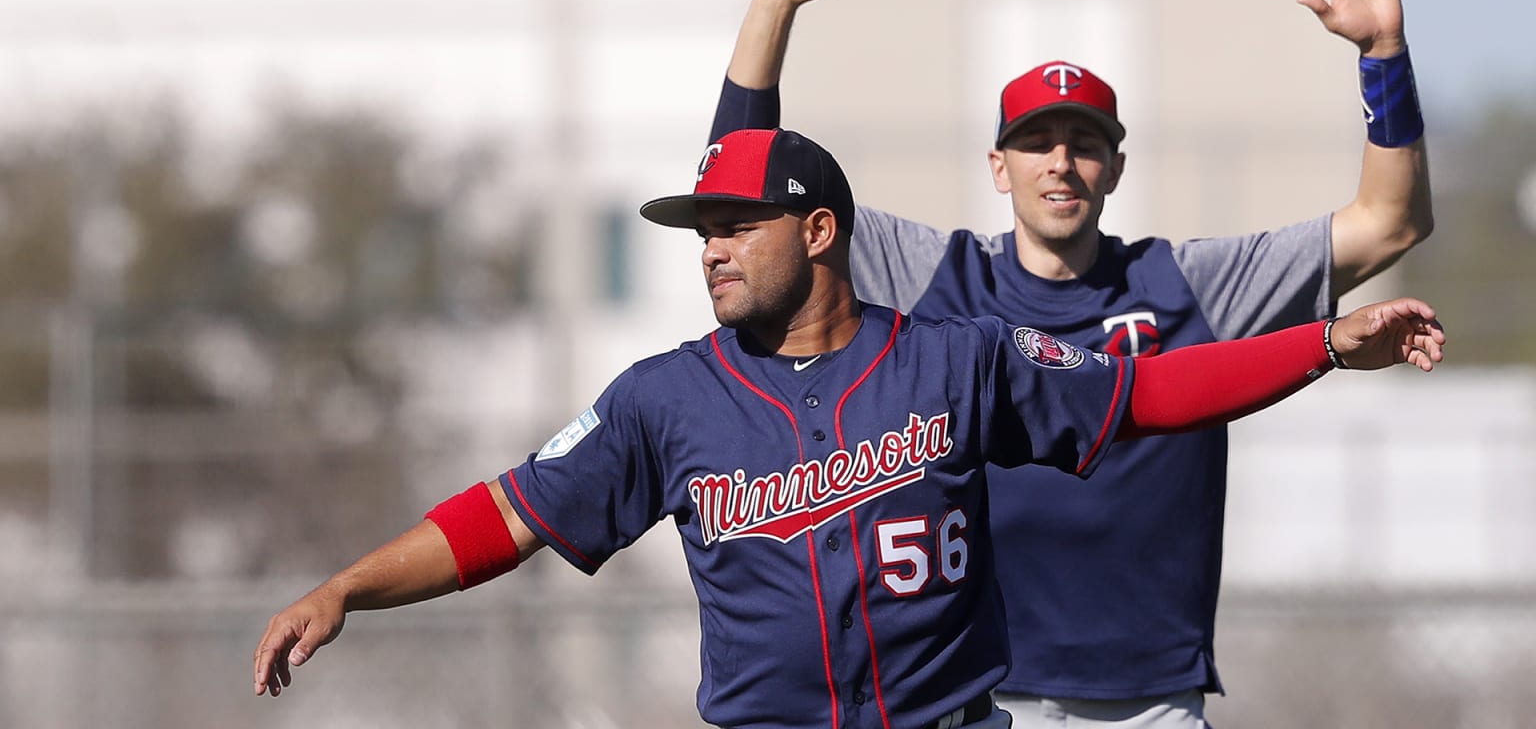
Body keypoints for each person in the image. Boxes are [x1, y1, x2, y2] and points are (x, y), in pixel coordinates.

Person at [253, 127, 1444, 729]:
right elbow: (510, 514)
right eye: (702, 230)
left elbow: (1148, 394)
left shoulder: (955, 356)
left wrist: (1324, 344)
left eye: (738, 224)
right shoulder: (664, 397)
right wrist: (347, 588)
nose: (712, 248)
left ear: (818, 232)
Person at [708, 0, 1434, 728]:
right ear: (998, 165)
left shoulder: (1188, 283)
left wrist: (1383, 53)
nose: (1060, 162)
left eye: (1084, 143)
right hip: (973, 697)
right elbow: (745, 185)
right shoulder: (935, 277)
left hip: (1149, 702)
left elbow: (1391, 221)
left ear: (1115, 168)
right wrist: (773, 6)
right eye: (1035, 142)